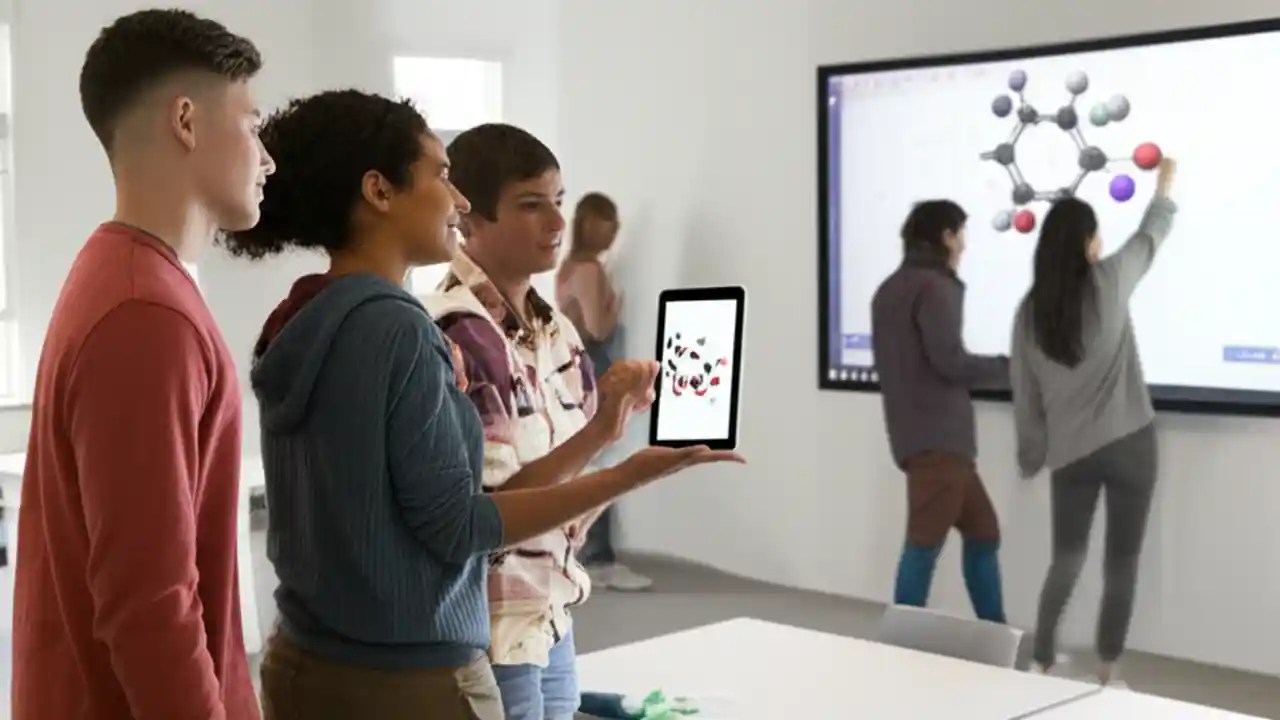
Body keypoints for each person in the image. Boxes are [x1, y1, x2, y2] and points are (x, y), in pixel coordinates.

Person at [222, 93, 742, 720]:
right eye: (441, 176)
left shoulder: (306, 313)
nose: (459, 201)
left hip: (318, 657)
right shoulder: (407, 330)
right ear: (379, 192)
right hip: (411, 672)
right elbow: (461, 527)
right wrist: (630, 473)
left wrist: (605, 434)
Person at [12, 10, 274, 720]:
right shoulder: (144, 313)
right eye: (253, 125)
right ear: (186, 120)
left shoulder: (123, 277)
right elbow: (150, 604)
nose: (268, 158)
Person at [1012, 159, 1178, 685]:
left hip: (1071, 454)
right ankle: (1108, 670)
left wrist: (1031, 455)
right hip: (1132, 444)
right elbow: (1151, 236)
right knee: (1121, 562)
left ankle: (1040, 660)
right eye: (1097, 236)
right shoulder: (1110, 281)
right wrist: (1165, 187)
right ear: (1087, 244)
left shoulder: (1029, 312)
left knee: (1066, 558)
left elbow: (1026, 396)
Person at [870, 200, 1009, 623]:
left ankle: (995, 633)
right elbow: (951, 361)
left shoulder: (890, 288)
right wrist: (1013, 368)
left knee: (983, 533)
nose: (964, 245)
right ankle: (900, 643)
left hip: (919, 436)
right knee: (923, 545)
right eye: (961, 234)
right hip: (939, 440)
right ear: (947, 236)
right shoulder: (935, 287)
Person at [556, 192, 653, 592]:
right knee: (603, 463)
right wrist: (618, 302)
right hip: (596, 368)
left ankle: (586, 553)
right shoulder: (591, 271)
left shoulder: (568, 267)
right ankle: (598, 557)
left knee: (589, 461)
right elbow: (597, 327)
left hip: (578, 371)